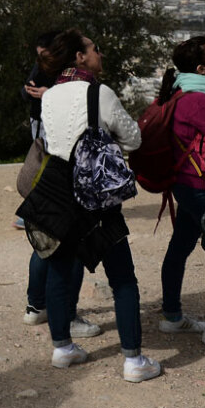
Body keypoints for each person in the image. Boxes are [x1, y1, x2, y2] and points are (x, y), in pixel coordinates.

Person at [37, 30, 161, 383]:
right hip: (95, 193)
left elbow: (52, 140)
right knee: (122, 276)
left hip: (59, 190)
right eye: (93, 49)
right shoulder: (99, 93)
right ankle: (133, 360)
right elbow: (133, 138)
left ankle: (62, 347)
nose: (99, 54)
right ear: (78, 57)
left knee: (60, 269)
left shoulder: (50, 96)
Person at [20, 29, 99, 339]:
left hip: (47, 166)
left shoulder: (50, 82)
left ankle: (36, 305)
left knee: (45, 237)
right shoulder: (82, 89)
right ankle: (66, 317)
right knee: (71, 246)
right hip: (71, 172)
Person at [154, 35, 205, 353]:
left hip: (185, 182)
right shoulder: (199, 100)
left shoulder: (182, 90)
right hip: (202, 186)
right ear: (201, 67)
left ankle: (172, 315)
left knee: (181, 246)